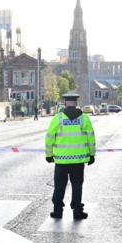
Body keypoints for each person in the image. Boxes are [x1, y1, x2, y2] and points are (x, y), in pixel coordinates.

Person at [44, 91, 96, 220]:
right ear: (76, 102)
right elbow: (91, 137)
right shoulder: (84, 118)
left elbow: (49, 137)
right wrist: (92, 154)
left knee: (59, 186)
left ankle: (57, 211)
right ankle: (77, 211)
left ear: (65, 102)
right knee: (77, 186)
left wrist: (49, 155)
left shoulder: (58, 118)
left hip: (61, 161)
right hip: (78, 161)